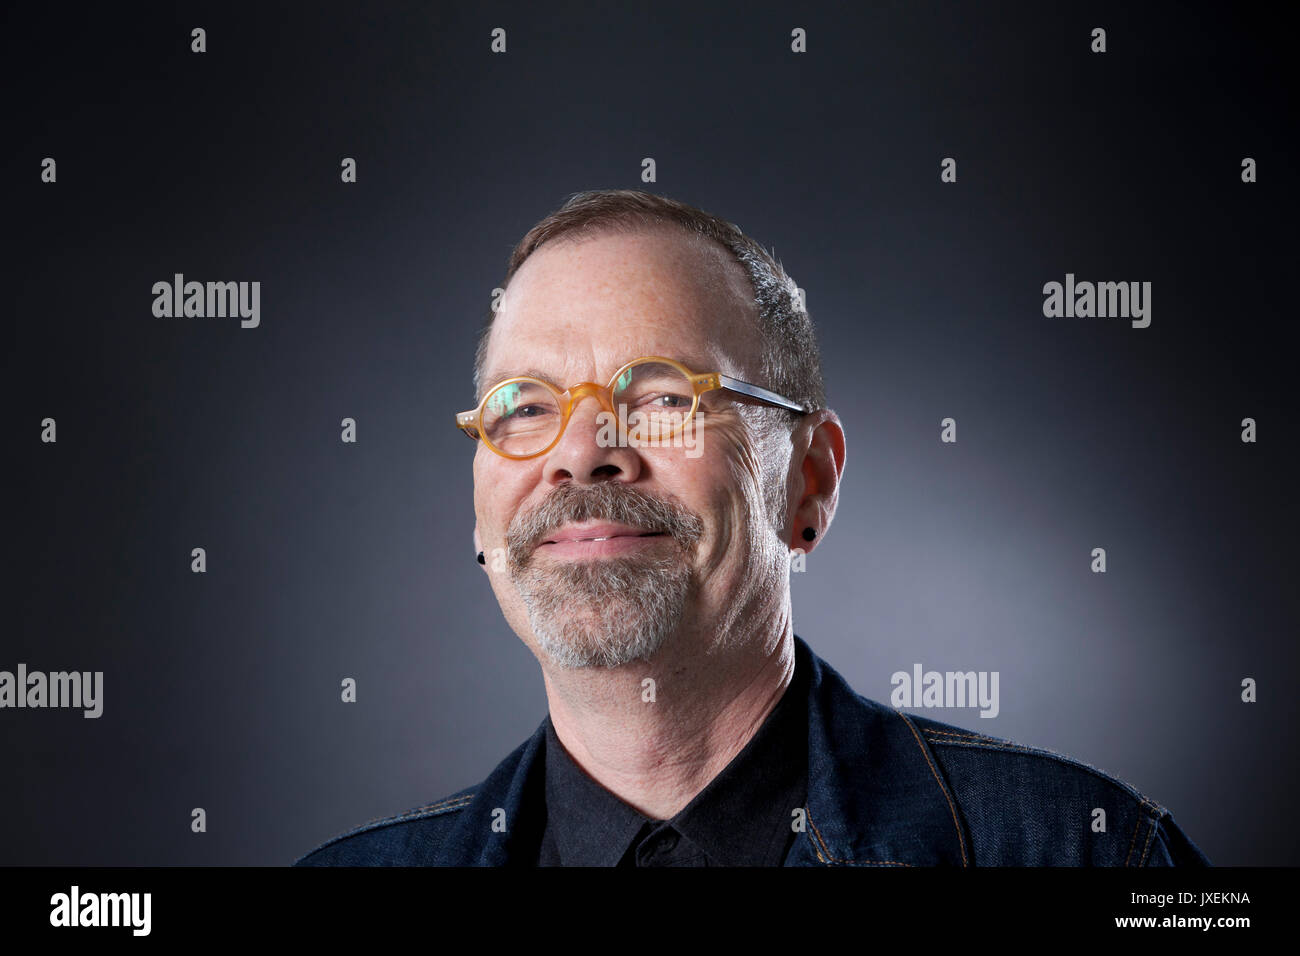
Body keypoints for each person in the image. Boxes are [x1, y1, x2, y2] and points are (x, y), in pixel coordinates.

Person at [295, 189, 1209, 866]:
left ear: (808, 481)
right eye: (523, 406)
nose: (580, 454)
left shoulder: (1090, 853)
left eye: (659, 396)